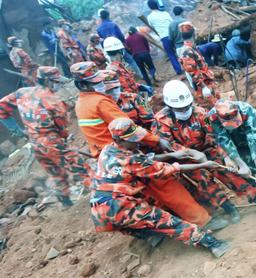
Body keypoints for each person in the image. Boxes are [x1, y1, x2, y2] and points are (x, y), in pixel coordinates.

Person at [72, 62, 222, 229]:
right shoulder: (100, 102)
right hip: (123, 153)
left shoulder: (81, 103)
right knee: (166, 184)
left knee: (148, 192)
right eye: (96, 83)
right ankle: (203, 221)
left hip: (108, 156)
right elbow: (130, 128)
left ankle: (168, 224)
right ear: (82, 84)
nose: (101, 86)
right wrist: (158, 141)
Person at [91, 117, 230, 257]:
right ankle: (213, 244)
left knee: (138, 224)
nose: (137, 141)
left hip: (99, 206)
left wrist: (172, 154)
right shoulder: (130, 159)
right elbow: (168, 169)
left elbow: (145, 160)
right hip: (119, 205)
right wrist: (203, 165)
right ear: (119, 140)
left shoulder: (109, 149)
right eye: (132, 139)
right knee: (167, 221)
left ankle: (154, 238)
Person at [154, 80, 256, 220]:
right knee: (204, 180)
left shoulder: (200, 113)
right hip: (184, 158)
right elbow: (167, 145)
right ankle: (229, 208)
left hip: (208, 149)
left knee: (229, 172)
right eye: (179, 109)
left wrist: (225, 156)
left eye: (186, 106)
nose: (184, 111)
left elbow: (214, 135)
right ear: (170, 106)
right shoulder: (161, 121)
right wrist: (190, 153)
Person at [0, 66, 90, 206]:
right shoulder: (54, 101)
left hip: (34, 142)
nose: (58, 84)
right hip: (51, 140)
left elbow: (1, 109)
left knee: (55, 172)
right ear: (48, 81)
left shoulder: (21, 92)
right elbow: (62, 127)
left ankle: (65, 201)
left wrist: (16, 130)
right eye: (56, 81)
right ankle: (99, 194)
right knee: (79, 165)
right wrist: (64, 139)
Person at [176, 22, 219, 107]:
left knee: (216, 104)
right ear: (193, 35)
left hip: (206, 81)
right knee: (211, 107)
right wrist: (204, 87)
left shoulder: (192, 48)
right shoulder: (187, 52)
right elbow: (192, 73)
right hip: (203, 85)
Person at [96, 8, 142, 77]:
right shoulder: (113, 25)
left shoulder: (98, 29)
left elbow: (101, 40)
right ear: (108, 16)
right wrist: (125, 44)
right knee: (131, 60)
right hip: (118, 46)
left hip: (109, 49)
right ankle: (140, 75)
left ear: (101, 18)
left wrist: (105, 49)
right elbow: (120, 36)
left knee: (116, 65)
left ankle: (122, 79)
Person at [147, 0, 182, 75]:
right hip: (173, 34)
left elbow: (151, 26)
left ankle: (178, 70)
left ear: (149, 7)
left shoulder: (149, 17)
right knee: (180, 50)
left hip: (164, 37)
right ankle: (187, 66)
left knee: (171, 54)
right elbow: (172, 22)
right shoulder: (165, 13)